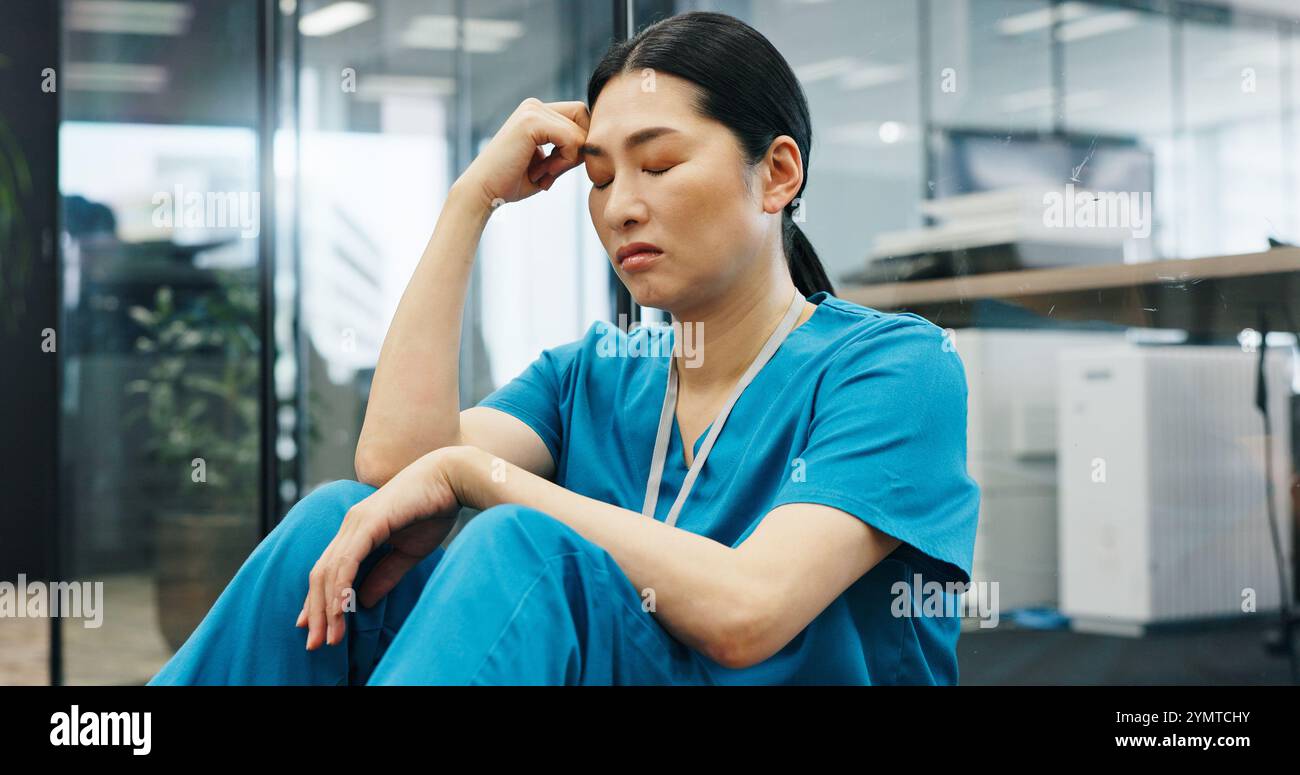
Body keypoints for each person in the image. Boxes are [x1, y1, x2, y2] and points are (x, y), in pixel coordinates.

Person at [148, 10, 980, 686]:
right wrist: (471, 198)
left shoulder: (895, 368)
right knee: (336, 522)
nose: (621, 206)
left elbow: (747, 611)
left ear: (777, 174)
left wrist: (480, 475)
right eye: (601, 179)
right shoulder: (596, 372)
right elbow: (395, 464)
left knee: (526, 546)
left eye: (657, 164)